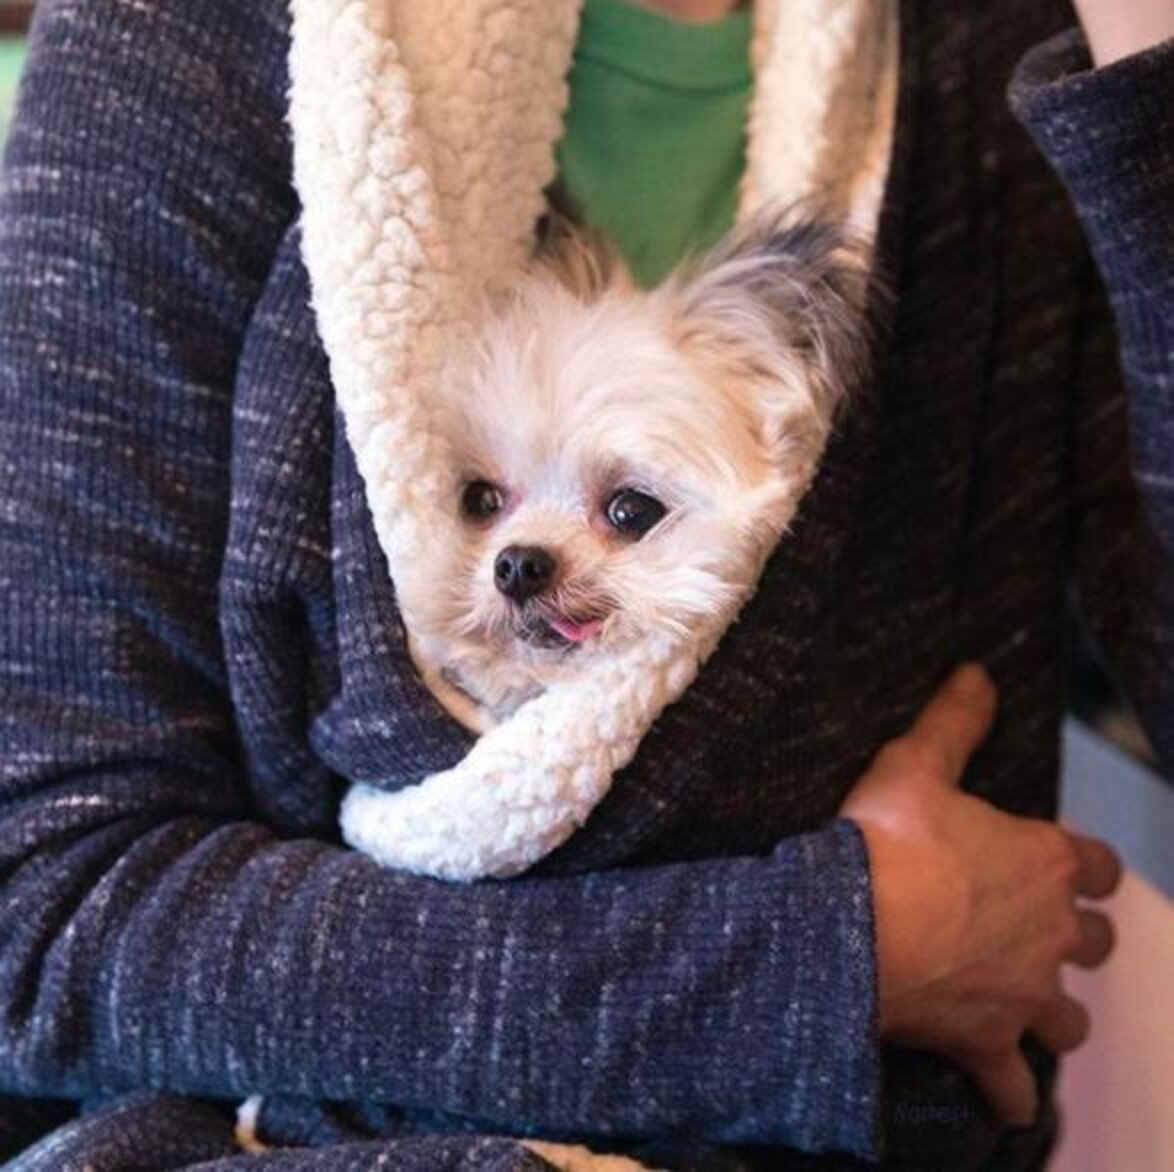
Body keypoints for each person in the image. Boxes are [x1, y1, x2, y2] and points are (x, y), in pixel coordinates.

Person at [0, 0, 1167, 1168]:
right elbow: (40, 921)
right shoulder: (187, 43)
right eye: (484, 502)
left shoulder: (999, 51)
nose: (522, 555)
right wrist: (833, 960)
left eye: (628, 510)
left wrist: (1143, 81)